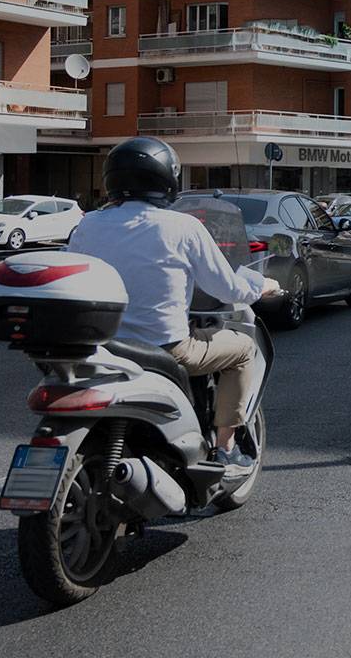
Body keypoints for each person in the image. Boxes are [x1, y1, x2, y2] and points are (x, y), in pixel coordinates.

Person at [68, 136, 278, 472]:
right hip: (165, 349)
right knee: (243, 350)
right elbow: (226, 288)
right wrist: (261, 286)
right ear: (166, 178)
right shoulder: (182, 226)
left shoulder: (88, 225)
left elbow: (74, 272)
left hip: (102, 347)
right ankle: (225, 448)